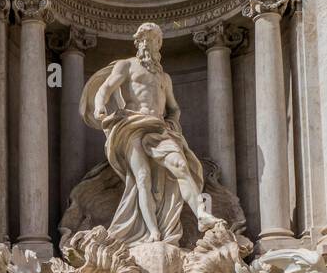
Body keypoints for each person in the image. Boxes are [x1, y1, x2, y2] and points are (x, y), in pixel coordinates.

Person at [82, 22, 225, 245]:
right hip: (131, 125)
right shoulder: (126, 66)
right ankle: (152, 232)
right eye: (144, 40)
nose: (149, 44)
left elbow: (174, 108)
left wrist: (172, 123)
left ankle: (201, 214)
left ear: (159, 45)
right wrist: (101, 107)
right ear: (138, 43)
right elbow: (105, 89)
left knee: (180, 165)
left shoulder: (164, 78)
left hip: (158, 128)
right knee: (142, 178)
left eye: (154, 40)